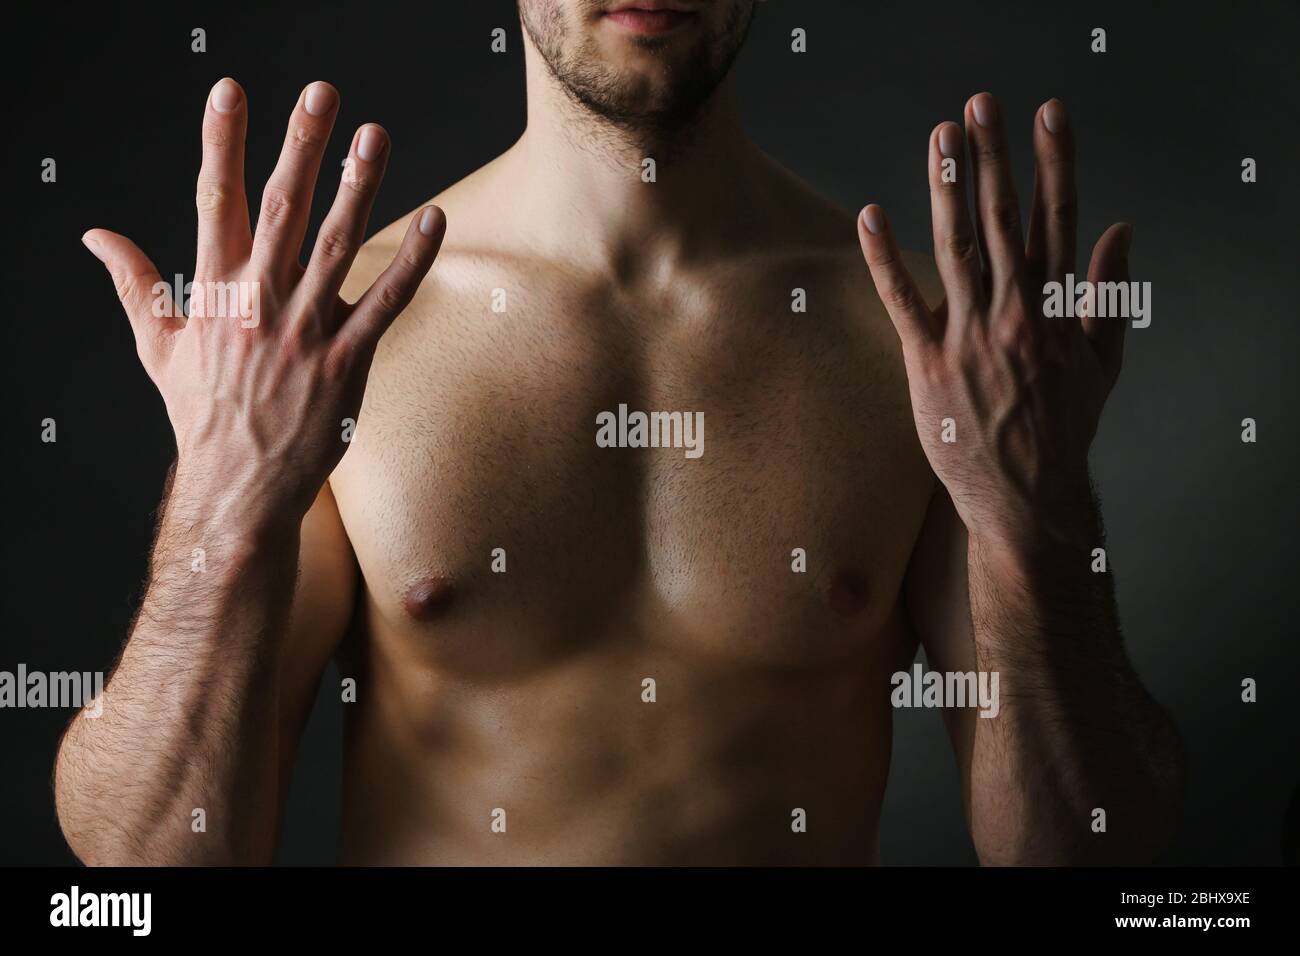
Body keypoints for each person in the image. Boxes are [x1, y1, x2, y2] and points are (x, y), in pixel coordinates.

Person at [55, 0, 1182, 865]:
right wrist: (224, 488)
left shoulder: (925, 350)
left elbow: (1093, 857)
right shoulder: (330, 338)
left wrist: (1033, 520)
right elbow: (146, 862)